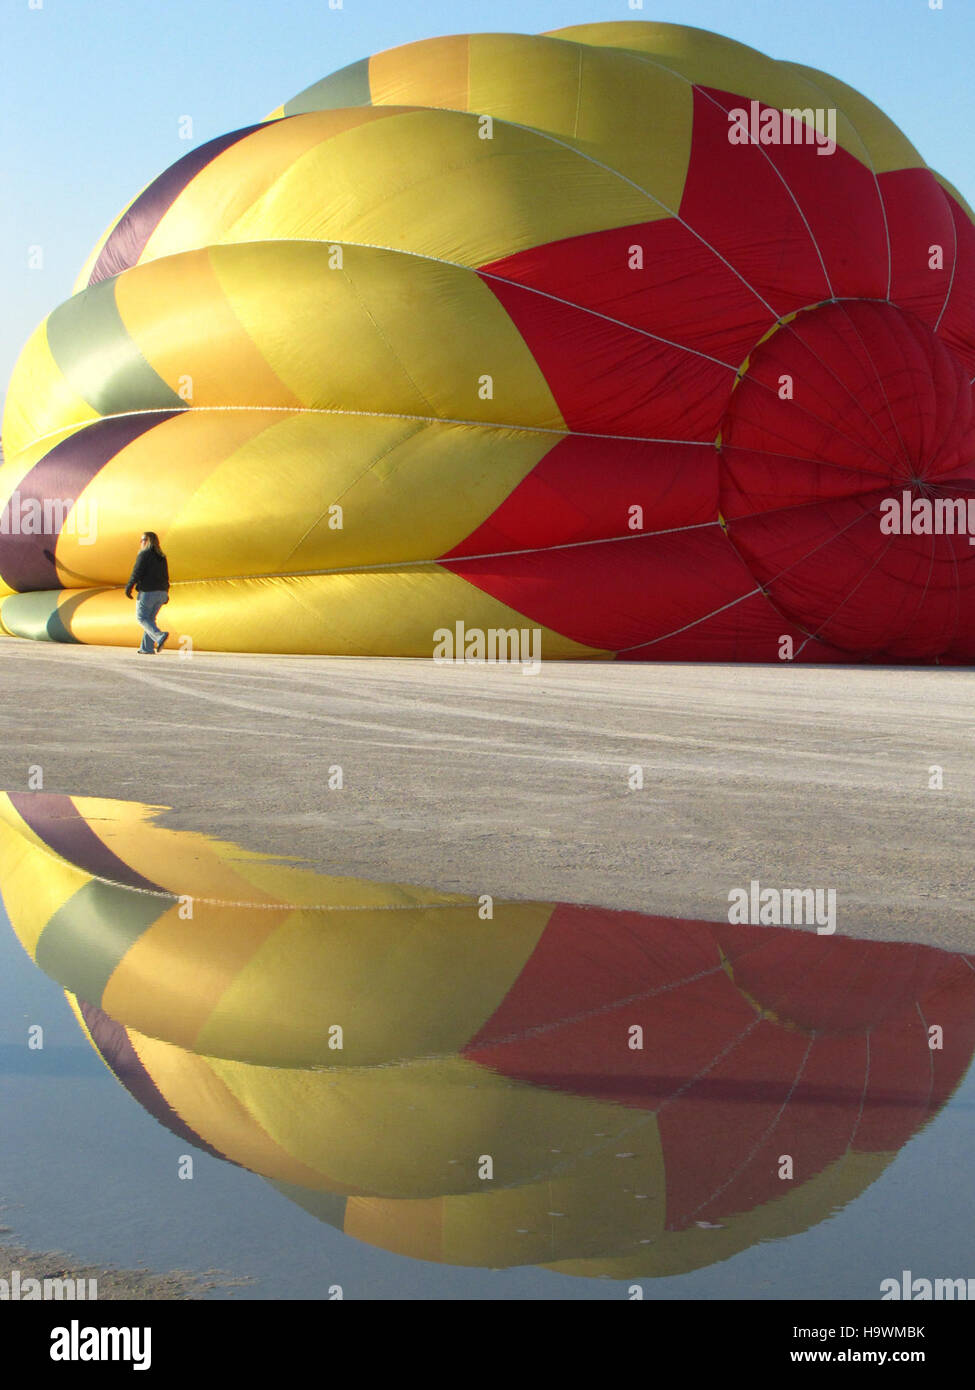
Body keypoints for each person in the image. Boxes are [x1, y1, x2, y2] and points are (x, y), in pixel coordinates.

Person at [124, 532, 170, 654]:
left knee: (141, 618)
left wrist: (129, 587)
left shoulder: (144, 554)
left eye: (143, 539)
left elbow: (136, 572)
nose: (141, 542)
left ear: (148, 541)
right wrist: (166, 592)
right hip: (161, 592)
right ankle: (147, 648)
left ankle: (159, 636)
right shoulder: (161, 557)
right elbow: (166, 576)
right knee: (150, 619)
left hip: (148, 592)